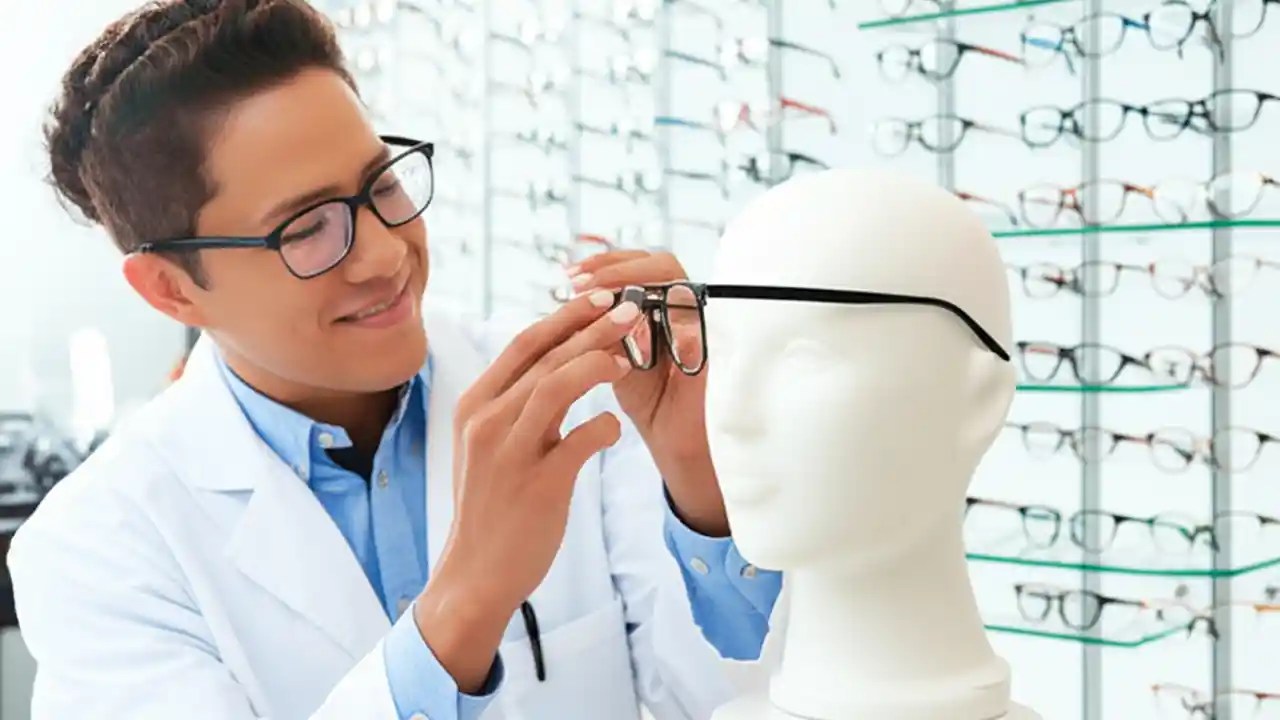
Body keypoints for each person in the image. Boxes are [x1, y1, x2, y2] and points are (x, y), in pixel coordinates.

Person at [8, 1, 784, 719]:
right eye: (306, 229)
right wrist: (467, 601)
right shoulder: (97, 551)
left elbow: (733, 700)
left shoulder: (573, 395)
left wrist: (701, 474)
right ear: (172, 289)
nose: (385, 254)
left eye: (381, 183)